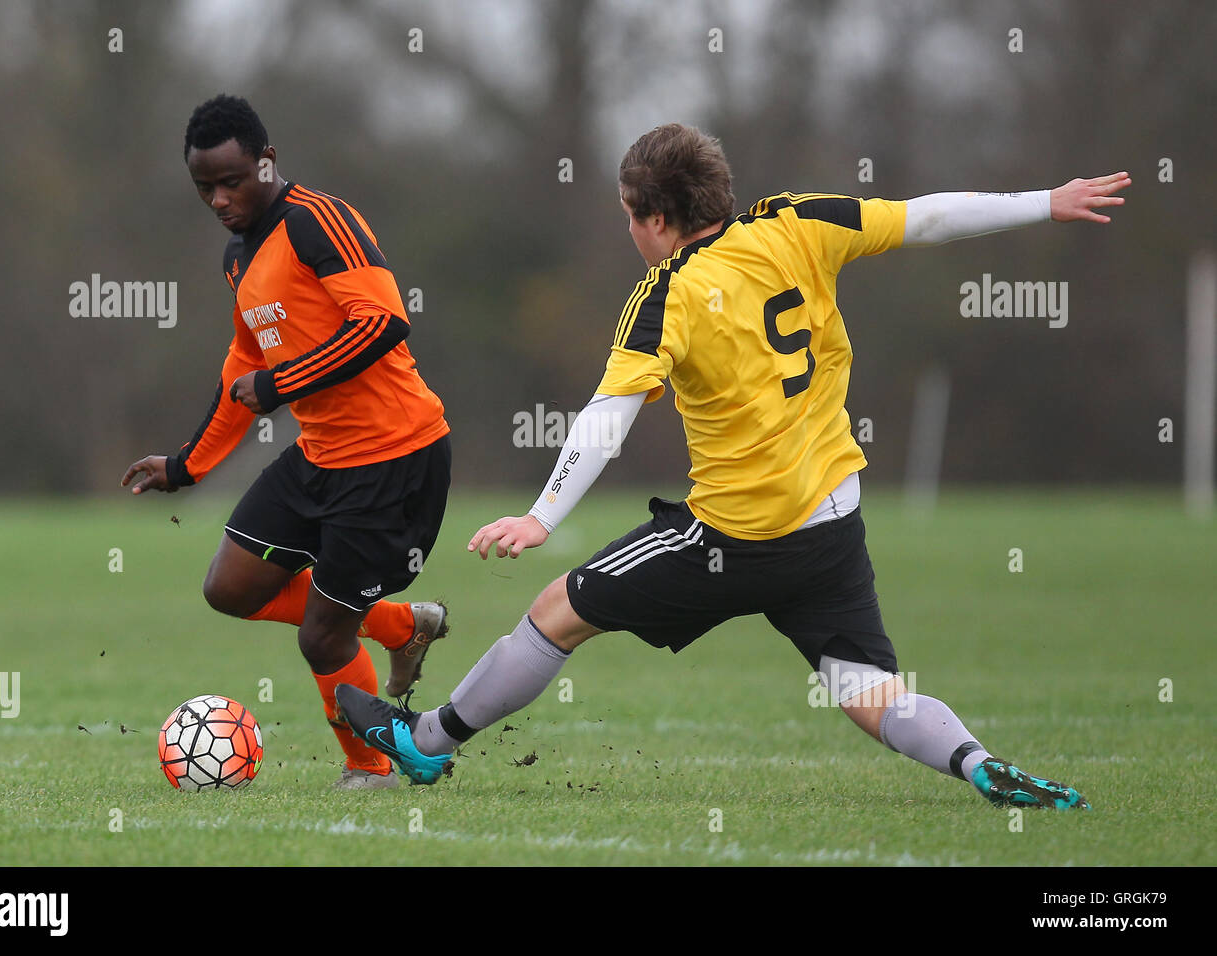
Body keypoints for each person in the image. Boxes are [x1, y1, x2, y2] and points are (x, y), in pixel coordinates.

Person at [337, 123, 1129, 808]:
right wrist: (1044, 201)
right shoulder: (797, 223)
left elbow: (606, 418)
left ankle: (426, 743)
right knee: (865, 690)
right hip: (832, 527)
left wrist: (540, 517)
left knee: (557, 610)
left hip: (733, 539)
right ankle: (977, 763)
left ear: (656, 219)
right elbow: (925, 218)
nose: (629, 232)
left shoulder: (667, 291)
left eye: (627, 216)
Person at [122, 94, 452, 791]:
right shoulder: (238, 257)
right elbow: (241, 372)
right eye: (203, 187)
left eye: (231, 181)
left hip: (393, 456)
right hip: (321, 455)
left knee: (324, 635)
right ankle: (400, 627)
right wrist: (185, 466)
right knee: (230, 587)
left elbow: (383, 321)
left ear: (266, 161)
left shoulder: (316, 221)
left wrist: (281, 383)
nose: (218, 199)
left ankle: (373, 770)